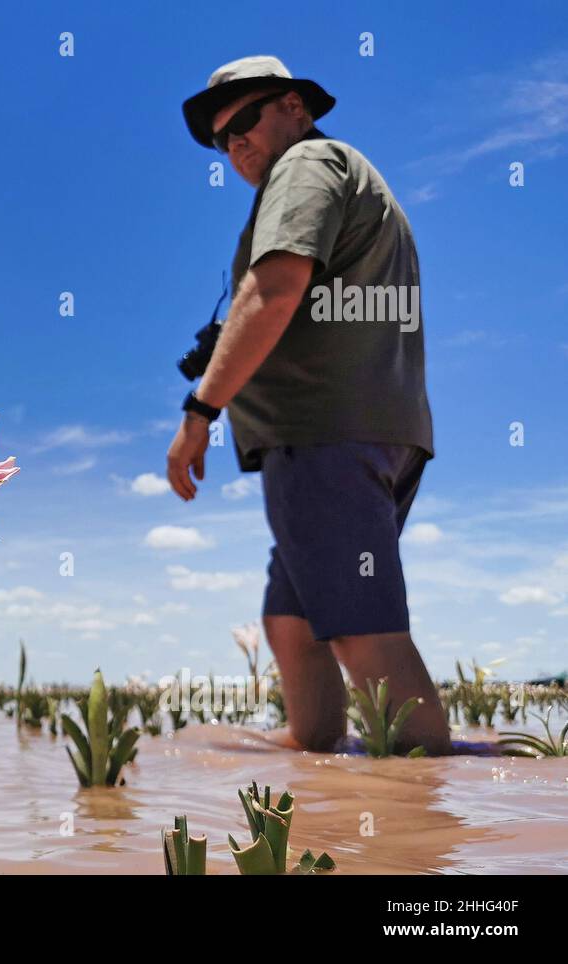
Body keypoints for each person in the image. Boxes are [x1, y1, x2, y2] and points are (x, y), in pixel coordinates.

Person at [167, 56, 451, 755]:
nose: (234, 145)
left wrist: (199, 412)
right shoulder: (339, 175)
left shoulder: (308, 163)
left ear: (294, 105)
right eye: (220, 140)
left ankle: (423, 818)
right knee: (292, 625)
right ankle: (317, 760)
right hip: (361, 432)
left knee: (360, 629)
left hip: (328, 434)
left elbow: (275, 289)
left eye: (243, 121)